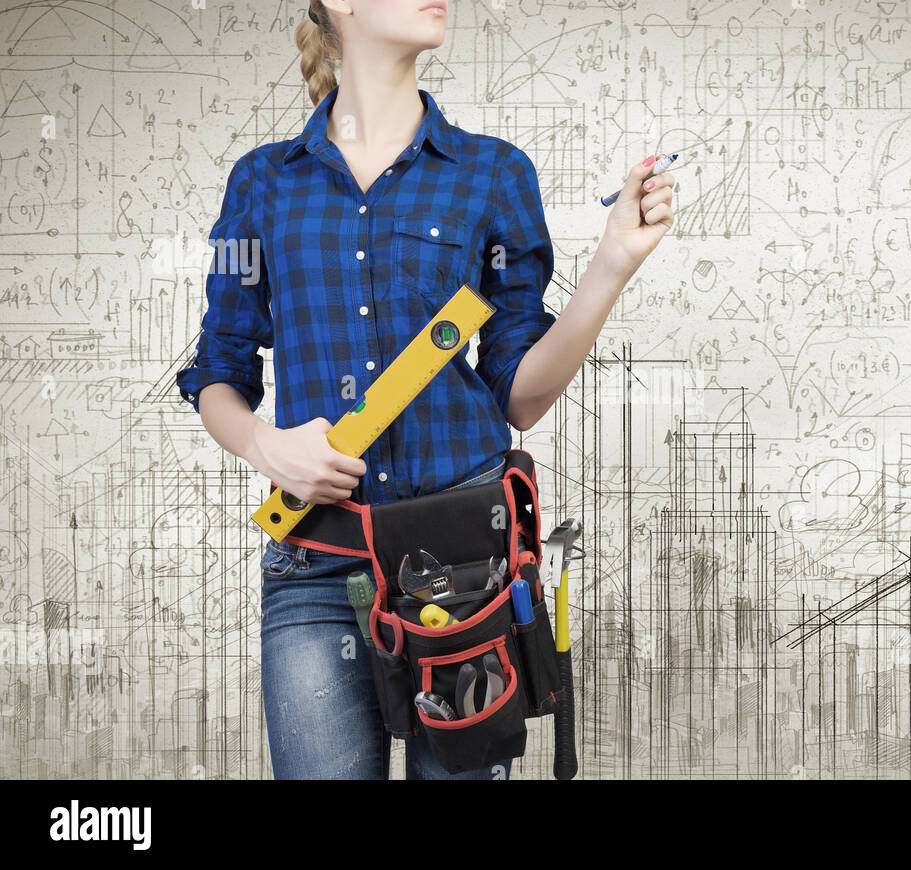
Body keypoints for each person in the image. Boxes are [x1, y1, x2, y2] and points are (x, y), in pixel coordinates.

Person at [175, 0, 674, 779]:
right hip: (316, 565)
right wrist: (267, 446)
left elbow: (520, 395)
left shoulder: (493, 172)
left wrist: (612, 264)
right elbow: (218, 369)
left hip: (467, 564)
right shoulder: (263, 184)